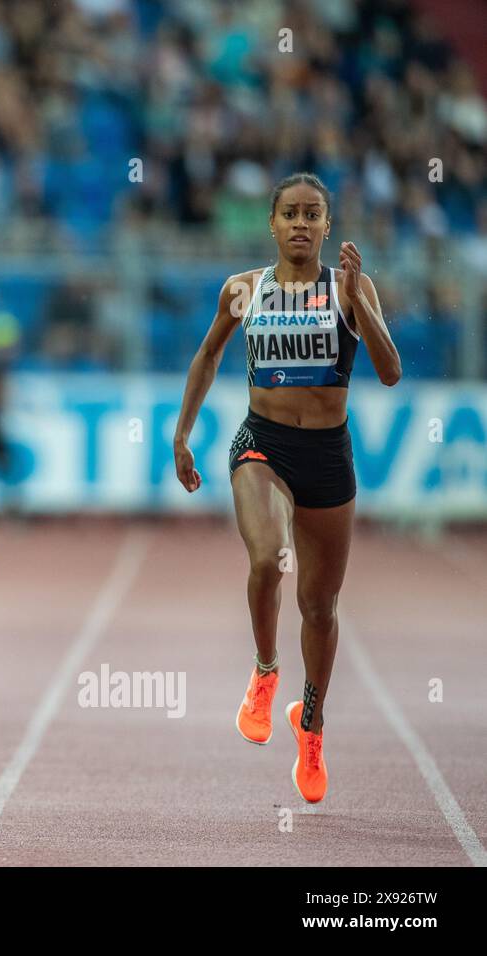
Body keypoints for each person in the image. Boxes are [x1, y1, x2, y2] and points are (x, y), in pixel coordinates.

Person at [172, 173, 401, 803]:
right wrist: (182, 435)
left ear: (327, 226)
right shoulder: (244, 290)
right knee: (269, 559)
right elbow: (208, 356)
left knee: (320, 607)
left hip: (327, 454)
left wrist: (358, 302)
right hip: (263, 444)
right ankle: (266, 672)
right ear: (271, 224)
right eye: (290, 214)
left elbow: (390, 372)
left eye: (313, 214)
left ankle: (312, 725)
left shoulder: (352, 288)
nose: (301, 224)